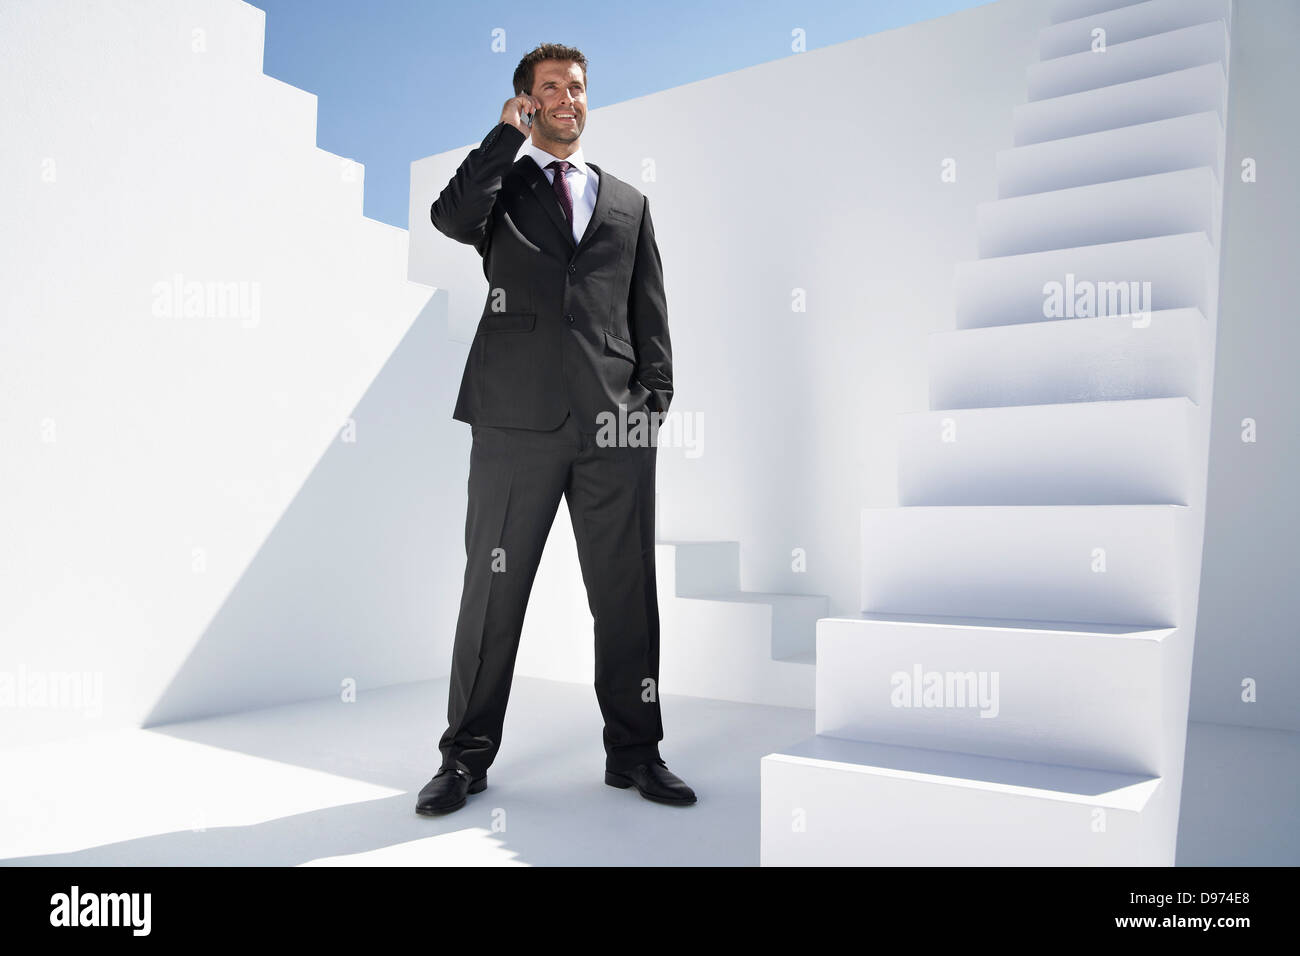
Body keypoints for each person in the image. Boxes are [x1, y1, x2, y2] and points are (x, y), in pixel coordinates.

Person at [415, 44, 696, 815]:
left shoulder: (629, 203)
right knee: (492, 596)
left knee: (627, 596)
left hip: (616, 431)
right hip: (514, 425)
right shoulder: (499, 189)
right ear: (527, 102)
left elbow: (651, 319)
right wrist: (504, 136)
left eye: (576, 87)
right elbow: (448, 216)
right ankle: (464, 760)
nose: (567, 98)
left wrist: (651, 406)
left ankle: (636, 754)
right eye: (549, 89)